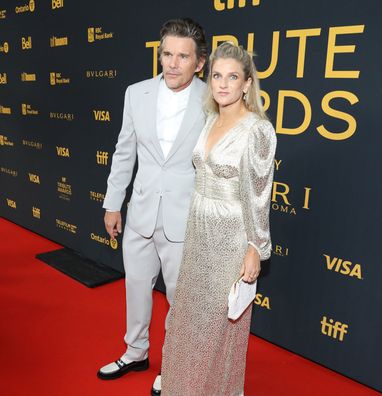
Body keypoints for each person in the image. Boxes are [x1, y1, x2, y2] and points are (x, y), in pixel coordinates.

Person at [97, 18, 207, 395]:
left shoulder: (211, 100)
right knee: (136, 287)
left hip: (184, 216)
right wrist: (113, 204)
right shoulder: (136, 93)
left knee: (179, 298)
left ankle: (174, 364)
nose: (172, 64)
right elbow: (124, 151)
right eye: (166, 54)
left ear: (199, 63)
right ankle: (135, 352)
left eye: (182, 56)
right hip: (141, 209)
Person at [161, 42, 277, 396]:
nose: (223, 84)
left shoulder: (257, 130)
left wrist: (255, 247)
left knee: (215, 325)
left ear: (247, 84)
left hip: (230, 235)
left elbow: (258, 195)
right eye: (216, 76)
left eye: (233, 77)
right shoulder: (210, 118)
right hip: (199, 230)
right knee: (188, 320)